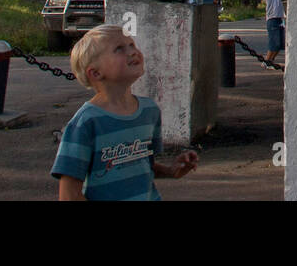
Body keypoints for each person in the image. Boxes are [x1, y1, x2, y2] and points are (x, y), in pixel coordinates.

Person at [51, 24, 198, 200]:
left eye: (132, 45)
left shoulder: (149, 111)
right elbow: (69, 195)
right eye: (119, 49)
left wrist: (171, 170)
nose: (133, 52)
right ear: (96, 73)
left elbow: (140, 164)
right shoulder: (85, 123)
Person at [259, 0, 285, 68]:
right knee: (273, 43)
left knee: (279, 45)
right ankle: (266, 62)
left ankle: (271, 60)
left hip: (279, 19)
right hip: (272, 20)